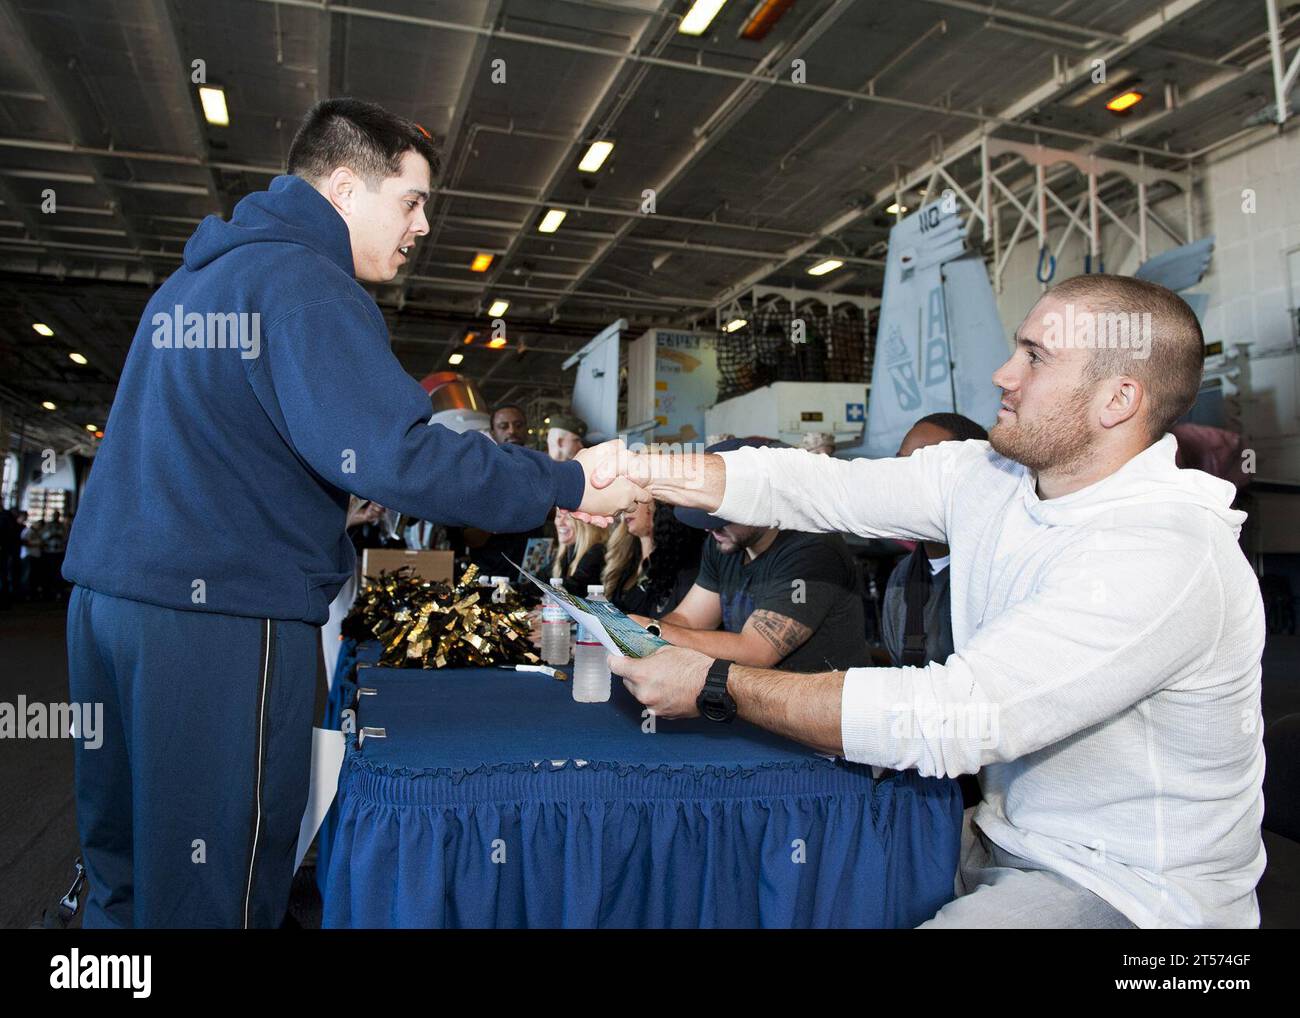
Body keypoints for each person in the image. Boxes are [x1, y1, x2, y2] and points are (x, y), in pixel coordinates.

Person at [60, 98, 647, 930]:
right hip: (217, 622)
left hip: (108, 609)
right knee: (213, 892)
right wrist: (568, 484)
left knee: (124, 876)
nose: (421, 228)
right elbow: (400, 453)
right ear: (343, 187)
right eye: (410, 202)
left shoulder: (193, 282)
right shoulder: (305, 281)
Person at [600, 274, 1265, 929]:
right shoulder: (994, 476)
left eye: (1036, 357)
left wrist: (716, 684)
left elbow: (948, 717)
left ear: (1117, 399)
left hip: (1129, 888)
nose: (1005, 374)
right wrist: (637, 471)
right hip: (1000, 832)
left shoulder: (1162, 554)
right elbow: (813, 485)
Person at [627, 438, 867, 672]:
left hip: (821, 706)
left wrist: (654, 629)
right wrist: (637, 635)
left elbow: (755, 651)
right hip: (759, 701)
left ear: (760, 502)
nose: (711, 528)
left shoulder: (813, 551)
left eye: (722, 518)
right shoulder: (725, 542)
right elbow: (689, 620)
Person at [881, 413, 988, 808]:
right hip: (927, 790)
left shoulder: (997, 571)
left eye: (925, 468)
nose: (905, 482)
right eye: (901, 464)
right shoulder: (900, 580)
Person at [603, 499, 703, 619]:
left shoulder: (682, 564)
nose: (627, 509)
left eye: (636, 500)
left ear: (655, 506)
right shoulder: (626, 557)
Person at [551, 507, 606, 596]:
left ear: (584, 523)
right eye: (558, 516)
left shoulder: (596, 552)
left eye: (568, 518)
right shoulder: (563, 553)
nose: (560, 523)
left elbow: (574, 588)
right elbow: (540, 580)